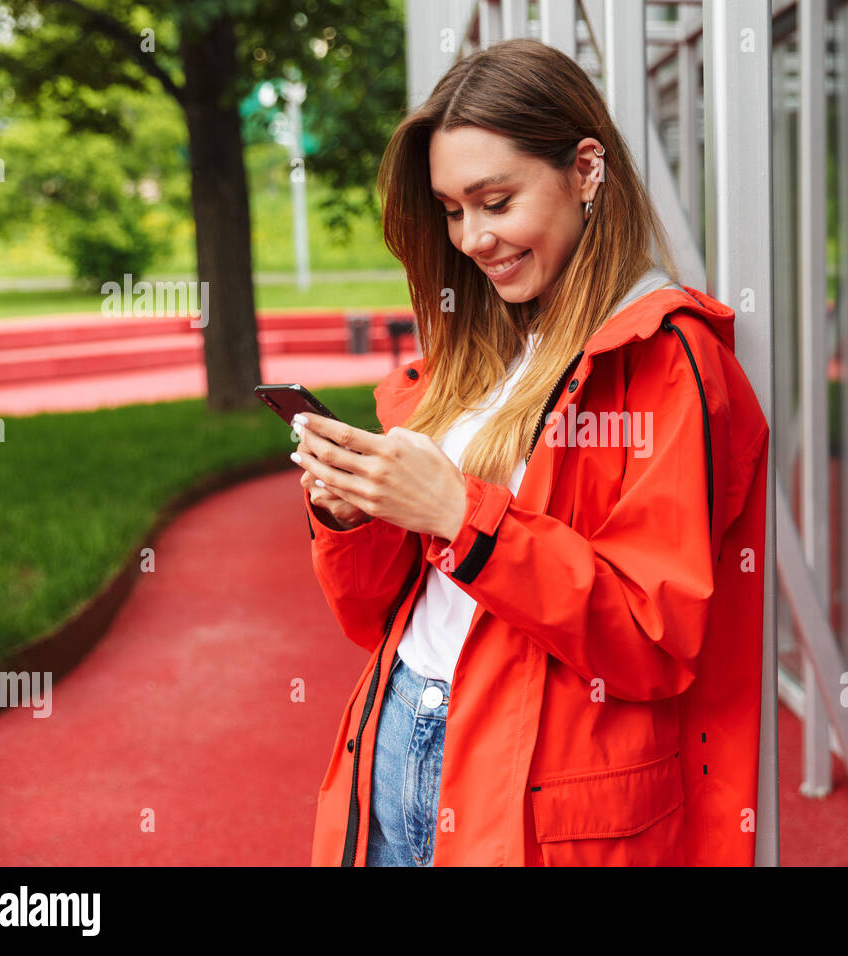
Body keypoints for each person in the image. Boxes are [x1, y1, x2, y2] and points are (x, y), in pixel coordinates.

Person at [289, 37, 769, 867]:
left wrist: (457, 514)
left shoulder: (666, 359)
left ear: (586, 170)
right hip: (397, 733)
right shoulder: (464, 357)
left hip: (546, 781)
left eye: (496, 200)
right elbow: (372, 617)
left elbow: (652, 639)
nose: (472, 238)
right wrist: (353, 512)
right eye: (450, 209)